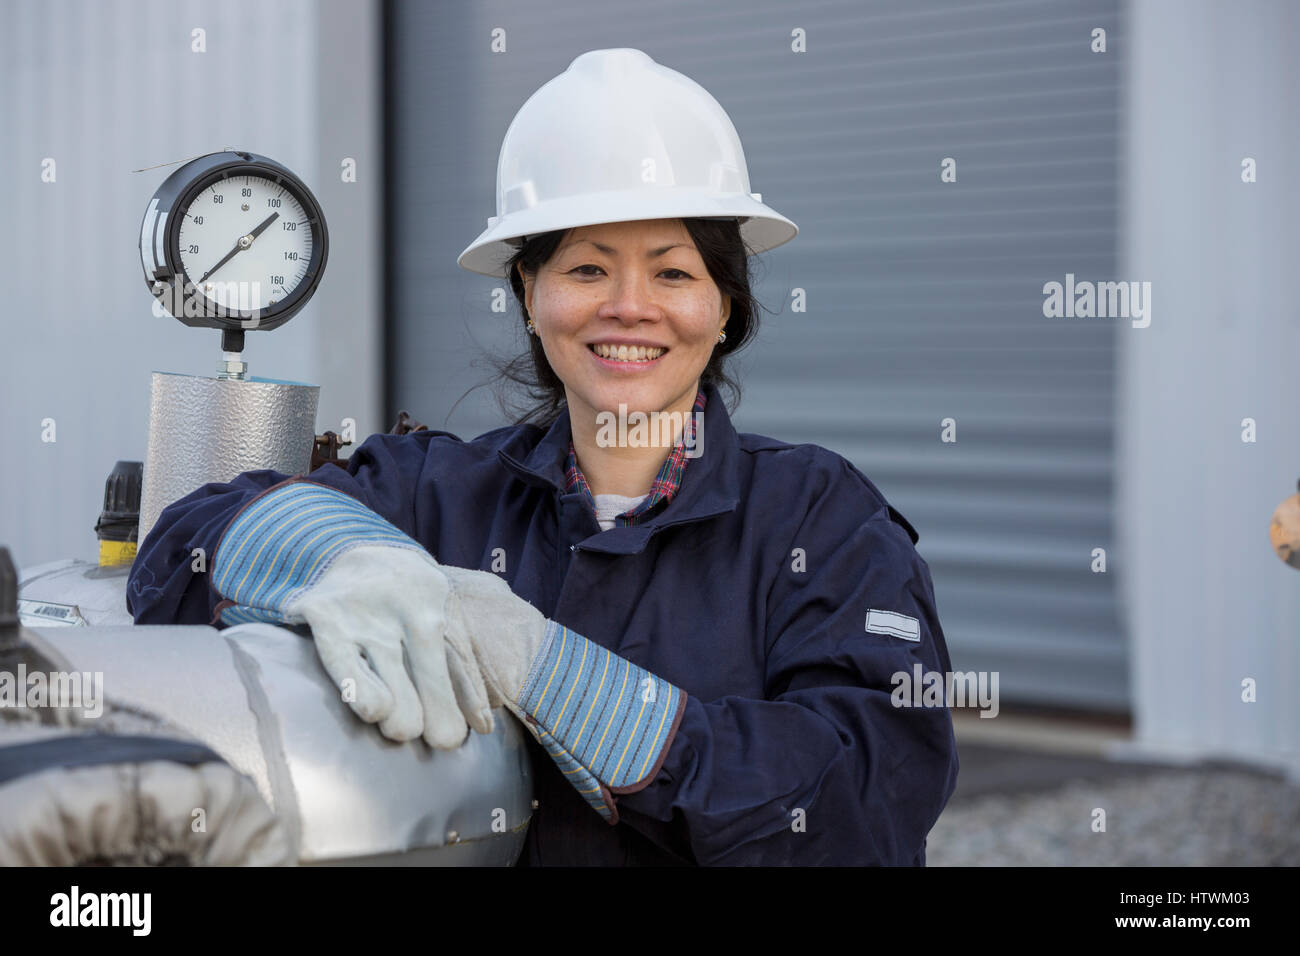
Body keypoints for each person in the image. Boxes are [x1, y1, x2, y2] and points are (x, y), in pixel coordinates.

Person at [127, 48, 959, 866]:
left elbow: (864, 798)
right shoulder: (437, 496)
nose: (630, 308)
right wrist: (340, 555)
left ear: (723, 303)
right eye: (588, 268)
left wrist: (555, 676)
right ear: (529, 294)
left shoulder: (820, 520)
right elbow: (178, 550)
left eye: (672, 273)